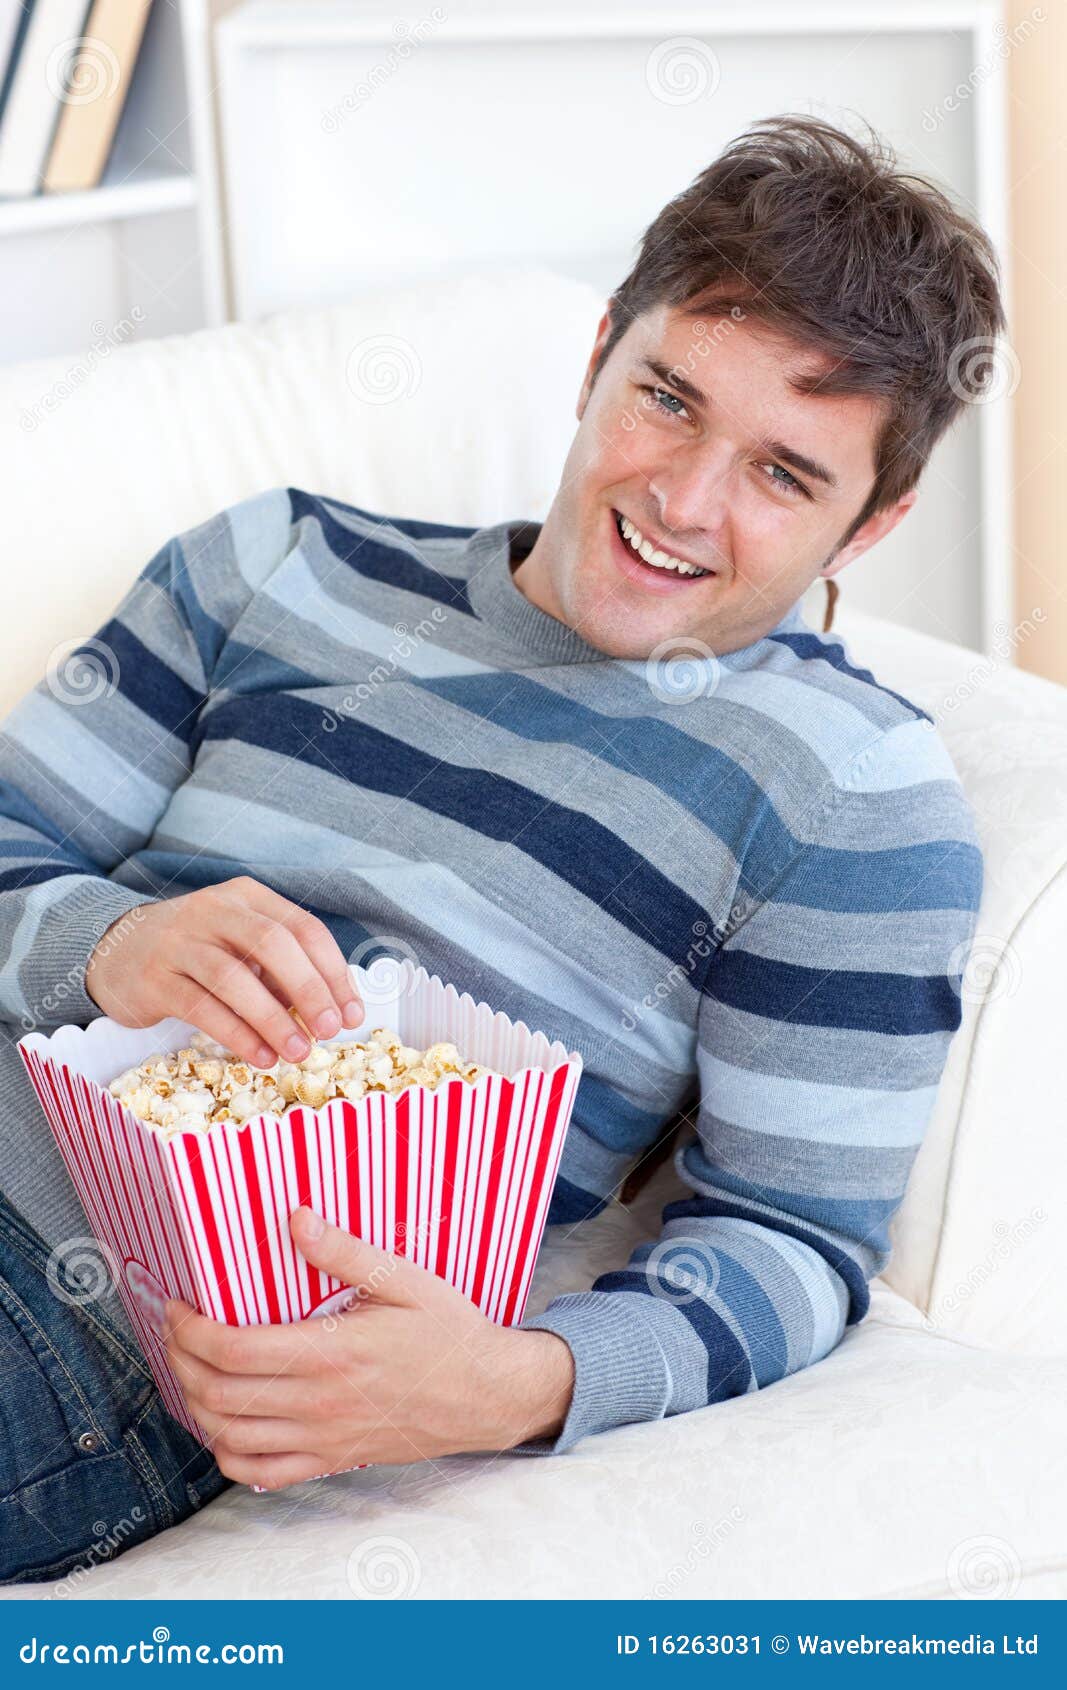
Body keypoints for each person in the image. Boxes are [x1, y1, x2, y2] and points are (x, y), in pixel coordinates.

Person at [0, 115, 1001, 1583]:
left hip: (103, 1332)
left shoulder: (855, 797)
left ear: (877, 521)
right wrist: (110, 942)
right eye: (667, 398)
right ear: (599, 354)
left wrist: (527, 1379)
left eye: (786, 474)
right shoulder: (279, 560)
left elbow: (792, 1239)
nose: (684, 500)